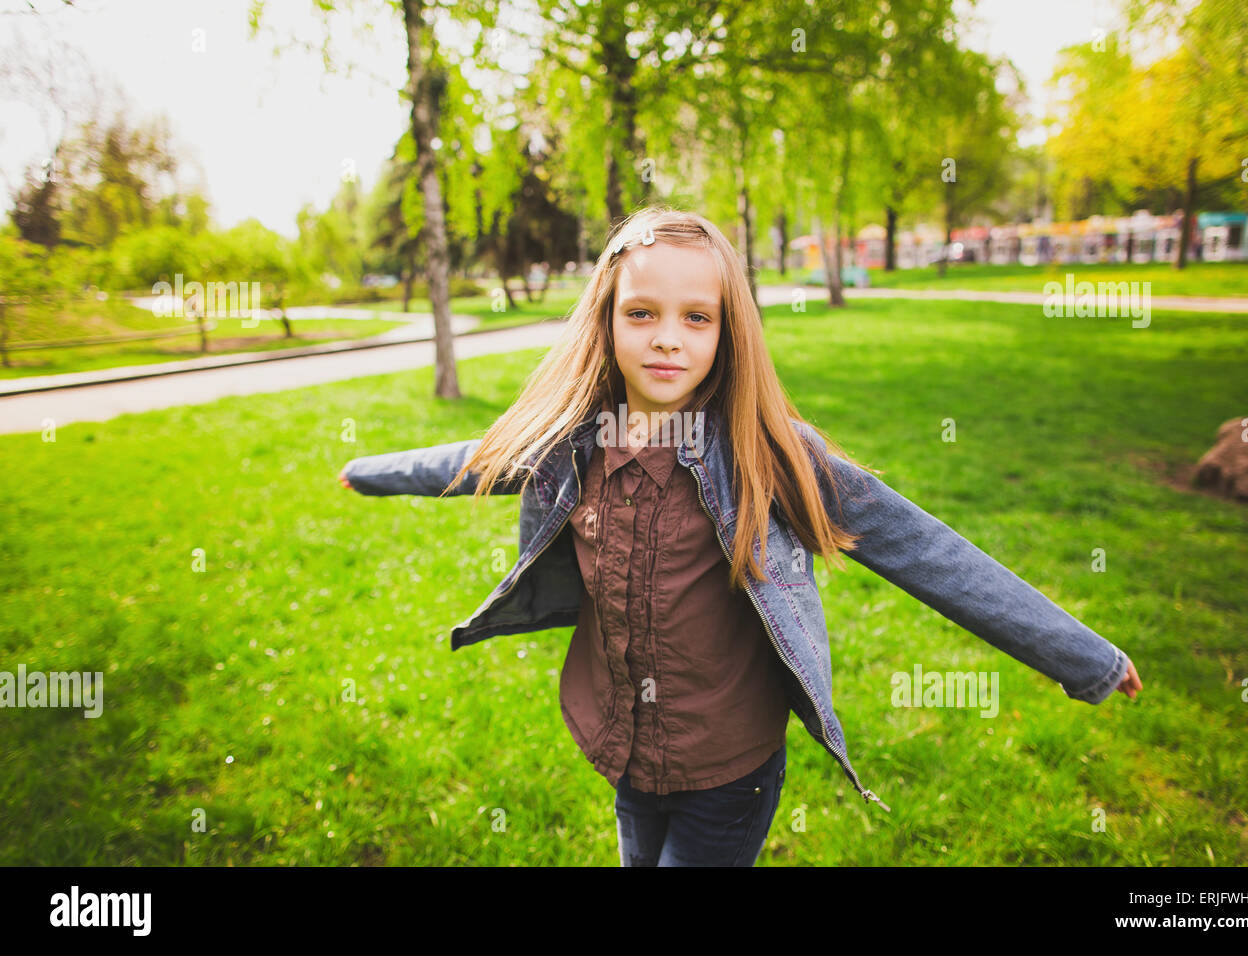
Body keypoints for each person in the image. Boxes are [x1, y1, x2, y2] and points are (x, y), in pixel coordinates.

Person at [338, 205, 1143, 867]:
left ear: (728, 331)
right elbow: (471, 459)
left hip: (728, 767)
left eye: (697, 317)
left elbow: (928, 552)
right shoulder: (571, 439)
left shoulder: (769, 455)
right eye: (642, 314)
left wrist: (1083, 658)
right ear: (606, 322)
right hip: (623, 743)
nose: (667, 338)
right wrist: (370, 469)